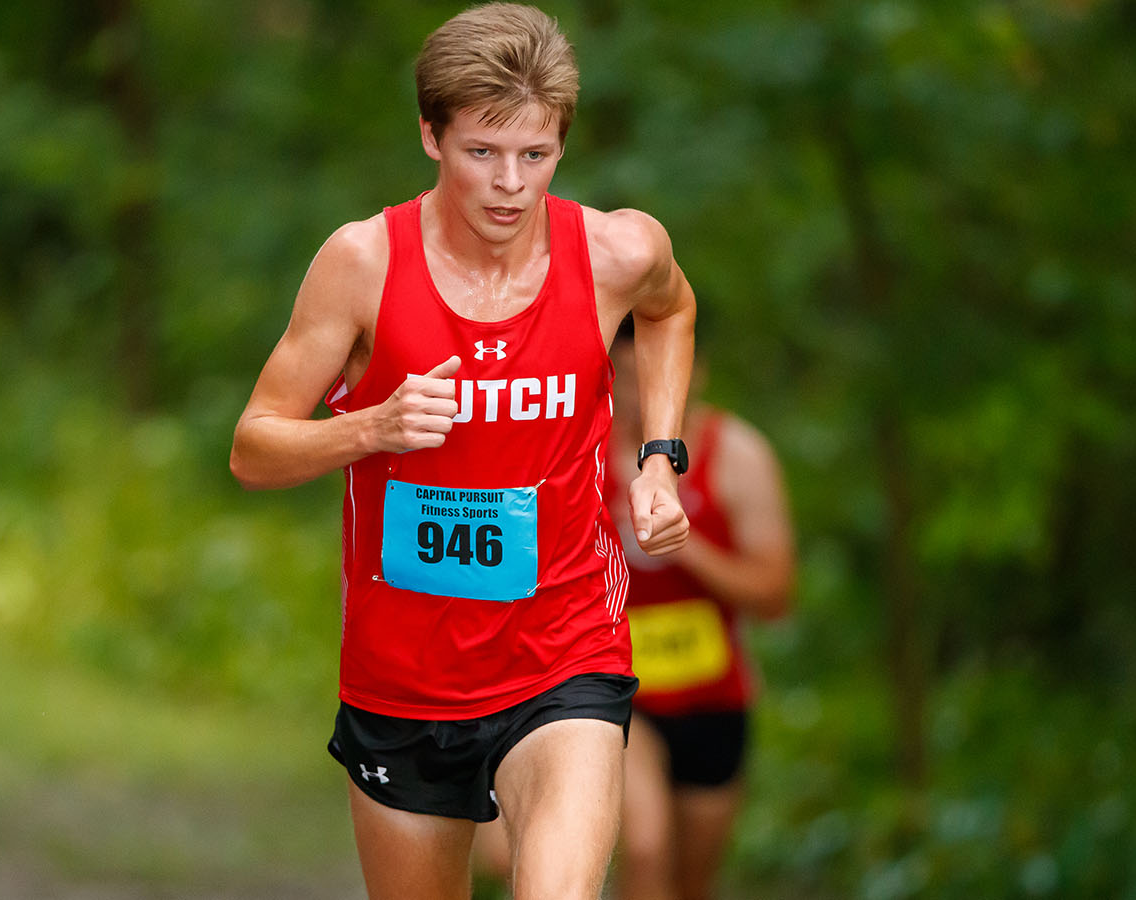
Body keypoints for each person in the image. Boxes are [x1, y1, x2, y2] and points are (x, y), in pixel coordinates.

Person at [228, 5, 697, 899]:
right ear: (430, 136)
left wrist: (658, 457)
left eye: (536, 154)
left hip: (566, 653)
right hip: (402, 678)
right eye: (482, 151)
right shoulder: (362, 263)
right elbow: (254, 449)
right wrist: (372, 425)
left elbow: (670, 310)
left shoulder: (616, 251)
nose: (510, 184)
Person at [473, 324, 796, 900]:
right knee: (646, 847)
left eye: (663, 371)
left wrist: (684, 543)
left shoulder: (738, 455)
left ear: (694, 372)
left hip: (712, 698)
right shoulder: (574, 453)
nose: (647, 393)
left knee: (690, 883)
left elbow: (773, 595)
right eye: (630, 376)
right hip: (607, 686)